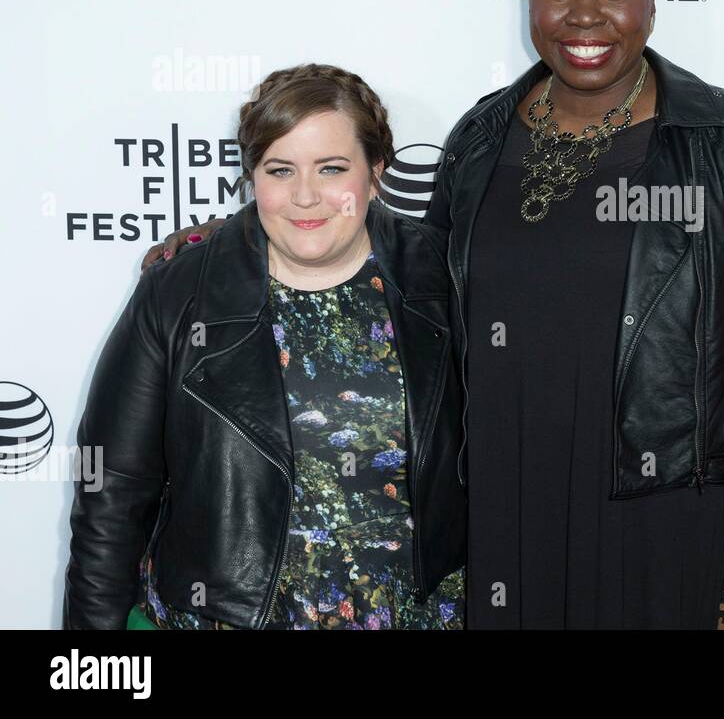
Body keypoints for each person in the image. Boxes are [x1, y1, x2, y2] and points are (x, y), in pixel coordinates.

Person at [147, 0, 724, 629]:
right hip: (509, 529)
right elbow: (405, 278)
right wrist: (250, 236)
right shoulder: (484, 135)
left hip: (676, 535)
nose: (585, 17)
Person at [67, 64, 466, 629]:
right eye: (280, 170)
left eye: (332, 168)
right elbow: (111, 495)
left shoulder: (446, 282)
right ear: (252, 174)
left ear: (375, 171)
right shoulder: (181, 292)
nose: (305, 197)